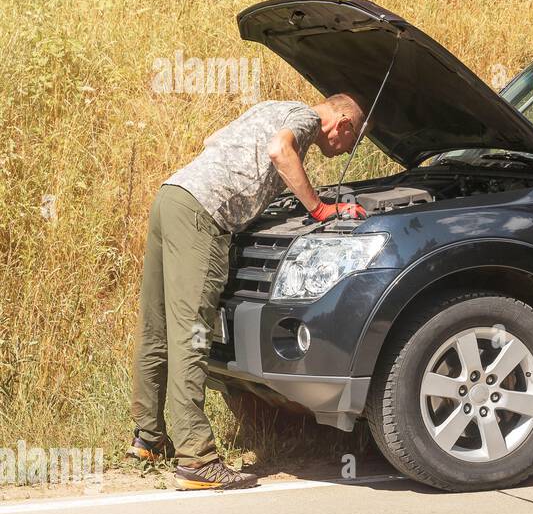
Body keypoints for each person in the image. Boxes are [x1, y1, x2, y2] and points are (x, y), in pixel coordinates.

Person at [128, 94, 368, 490]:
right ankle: (197, 459)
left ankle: (148, 439)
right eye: (352, 141)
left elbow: (218, 142)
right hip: (202, 213)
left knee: (156, 327)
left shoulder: (273, 107)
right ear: (343, 123)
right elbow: (279, 150)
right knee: (193, 334)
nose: (343, 151)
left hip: (173, 194)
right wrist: (320, 209)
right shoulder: (306, 120)